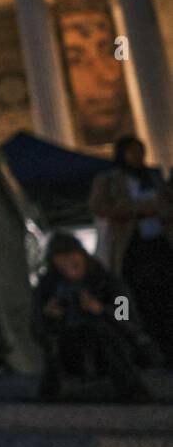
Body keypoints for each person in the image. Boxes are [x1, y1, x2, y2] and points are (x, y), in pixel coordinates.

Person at [32, 233, 151, 402]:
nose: (70, 270)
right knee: (55, 343)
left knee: (104, 334)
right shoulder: (49, 286)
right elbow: (37, 327)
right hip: (70, 345)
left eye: (73, 263)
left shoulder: (109, 281)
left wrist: (100, 310)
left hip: (109, 343)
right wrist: (50, 316)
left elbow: (127, 318)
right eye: (62, 266)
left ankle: (132, 389)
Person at [88, 135, 173, 365]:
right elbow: (99, 207)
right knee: (130, 299)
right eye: (132, 152)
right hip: (130, 251)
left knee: (164, 298)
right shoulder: (109, 180)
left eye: (140, 151)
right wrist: (136, 210)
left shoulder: (154, 176)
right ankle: (139, 351)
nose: (137, 156)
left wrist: (161, 211)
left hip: (159, 246)